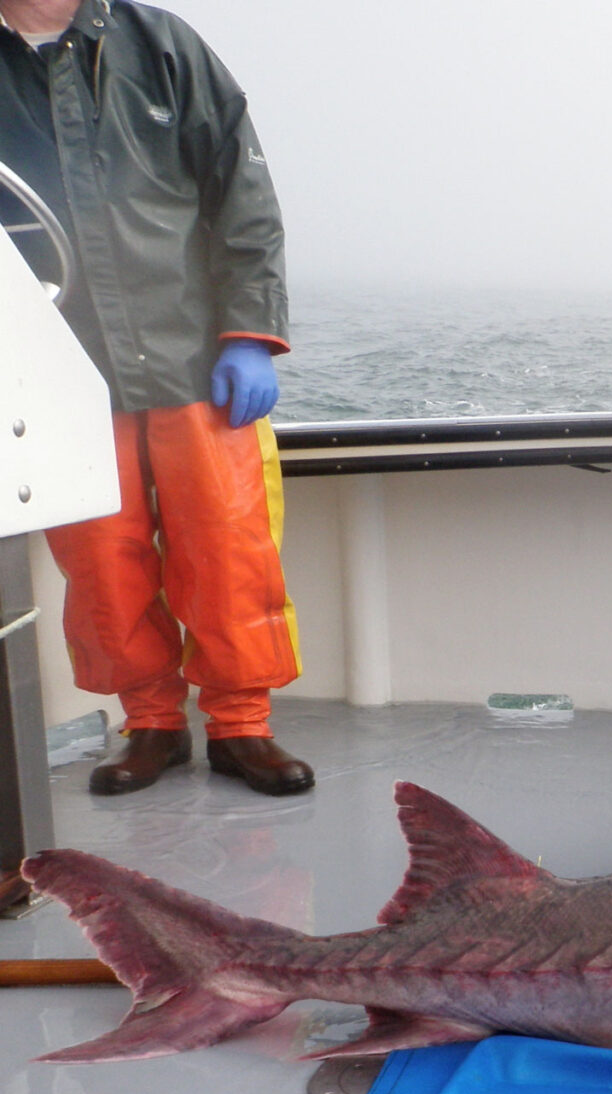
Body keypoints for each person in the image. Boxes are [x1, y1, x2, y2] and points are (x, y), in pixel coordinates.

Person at [1, 0, 311, 797]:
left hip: (193, 357)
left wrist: (250, 334)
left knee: (226, 549)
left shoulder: (163, 45)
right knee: (103, 565)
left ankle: (243, 725)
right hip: (60, 372)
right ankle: (153, 725)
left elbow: (242, 191)